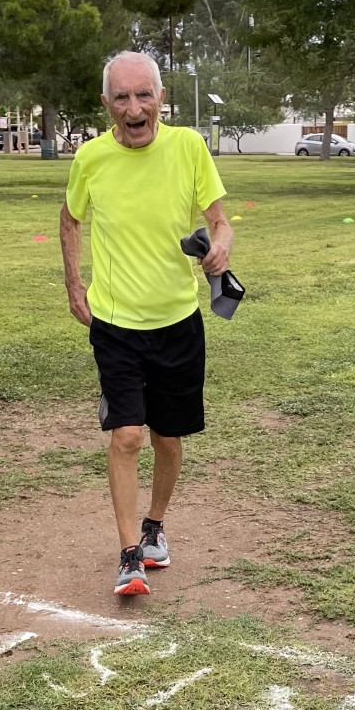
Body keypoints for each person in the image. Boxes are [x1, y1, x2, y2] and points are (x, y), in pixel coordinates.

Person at [59, 50, 232, 596]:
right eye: (121, 97)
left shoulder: (189, 147)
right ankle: (129, 551)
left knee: (168, 438)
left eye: (143, 95)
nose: (133, 108)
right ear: (106, 103)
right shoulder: (91, 158)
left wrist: (221, 247)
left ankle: (155, 525)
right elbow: (70, 219)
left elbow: (220, 221)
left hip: (178, 320)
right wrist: (74, 284)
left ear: (161, 98)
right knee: (128, 434)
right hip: (115, 322)